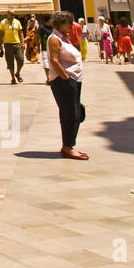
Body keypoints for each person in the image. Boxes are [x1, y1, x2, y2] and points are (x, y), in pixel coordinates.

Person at [46, 11, 88, 160]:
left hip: (73, 80)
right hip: (64, 81)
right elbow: (54, 61)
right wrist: (66, 78)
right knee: (70, 114)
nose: (71, 25)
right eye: (68, 23)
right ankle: (67, 147)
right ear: (60, 24)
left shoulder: (64, 38)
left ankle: (69, 145)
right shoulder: (54, 39)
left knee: (76, 113)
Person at [0, 11, 24, 84]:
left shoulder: (17, 22)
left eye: (14, 15)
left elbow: (20, 32)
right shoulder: (3, 22)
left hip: (17, 43)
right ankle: (13, 78)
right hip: (8, 44)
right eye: (11, 15)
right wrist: (0, 45)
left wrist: (23, 42)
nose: (13, 16)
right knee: (10, 62)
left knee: (21, 60)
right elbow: (0, 34)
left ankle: (17, 73)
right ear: (8, 14)